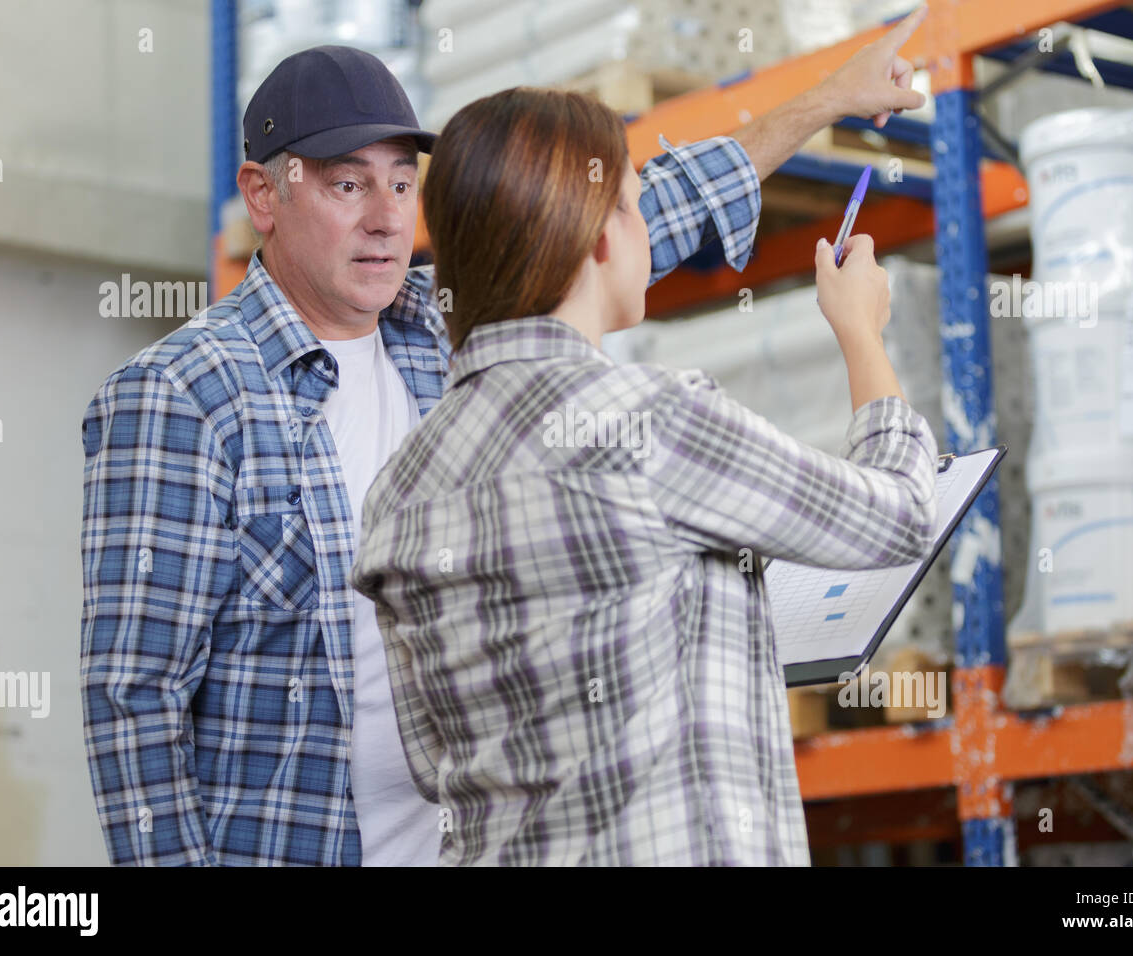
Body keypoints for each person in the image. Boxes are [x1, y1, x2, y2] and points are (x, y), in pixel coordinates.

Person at [80, 10, 932, 866]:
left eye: (402, 184)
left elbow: (645, 208)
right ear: (263, 194)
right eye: (348, 185)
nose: (386, 219)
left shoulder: (438, 322)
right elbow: (134, 700)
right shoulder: (180, 396)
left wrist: (828, 98)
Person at [349, 86, 939, 866]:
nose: (646, 231)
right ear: (597, 238)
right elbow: (897, 517)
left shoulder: (398, 491)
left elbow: (435, 764)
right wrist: (861, 332)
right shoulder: (649, 421)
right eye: (633, 205)